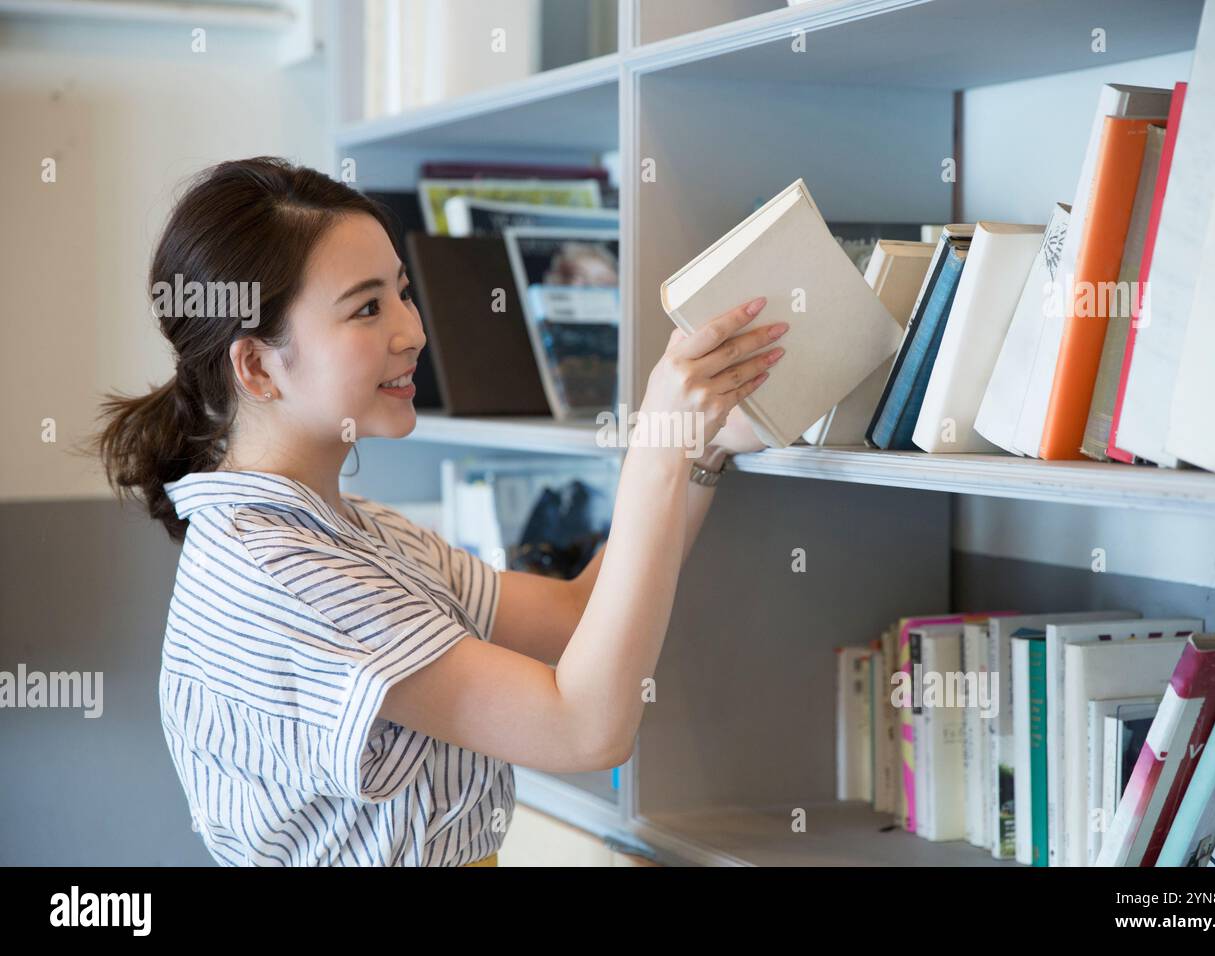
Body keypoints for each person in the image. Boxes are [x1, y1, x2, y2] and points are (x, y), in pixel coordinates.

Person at [90, 156, 788, 866]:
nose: (412, 331)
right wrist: (655, 454)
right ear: (258, 367)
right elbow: (585, 732)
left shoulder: (350, 530)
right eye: (367, 308)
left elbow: (576, 614)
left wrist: (699, 451)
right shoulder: (283, 571)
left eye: (402, 293)